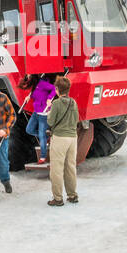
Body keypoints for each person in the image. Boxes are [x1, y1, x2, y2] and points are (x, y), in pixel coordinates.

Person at [45, 75, 80, 206]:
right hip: (73, 138)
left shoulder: (56, 103)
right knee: (70, 167)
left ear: (57, 89)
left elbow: (50, 121)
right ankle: (72, 195)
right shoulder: (73, 102)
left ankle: (58, 198)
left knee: (57, 169)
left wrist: (49, 110)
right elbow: (76, 119)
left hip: (60, 138)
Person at [24, 74, 58, 163]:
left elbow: (54, 89)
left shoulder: (42, 83)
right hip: (36, 112)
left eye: (29, 76)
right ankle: (45, 137)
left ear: (33, 77)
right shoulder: (35, 85)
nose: (27, 77)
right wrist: (29, 97)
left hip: (44, 112)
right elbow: (35, 93)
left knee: (41, 134)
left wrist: (50, 99)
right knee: (29, 129)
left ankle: (43, 157)